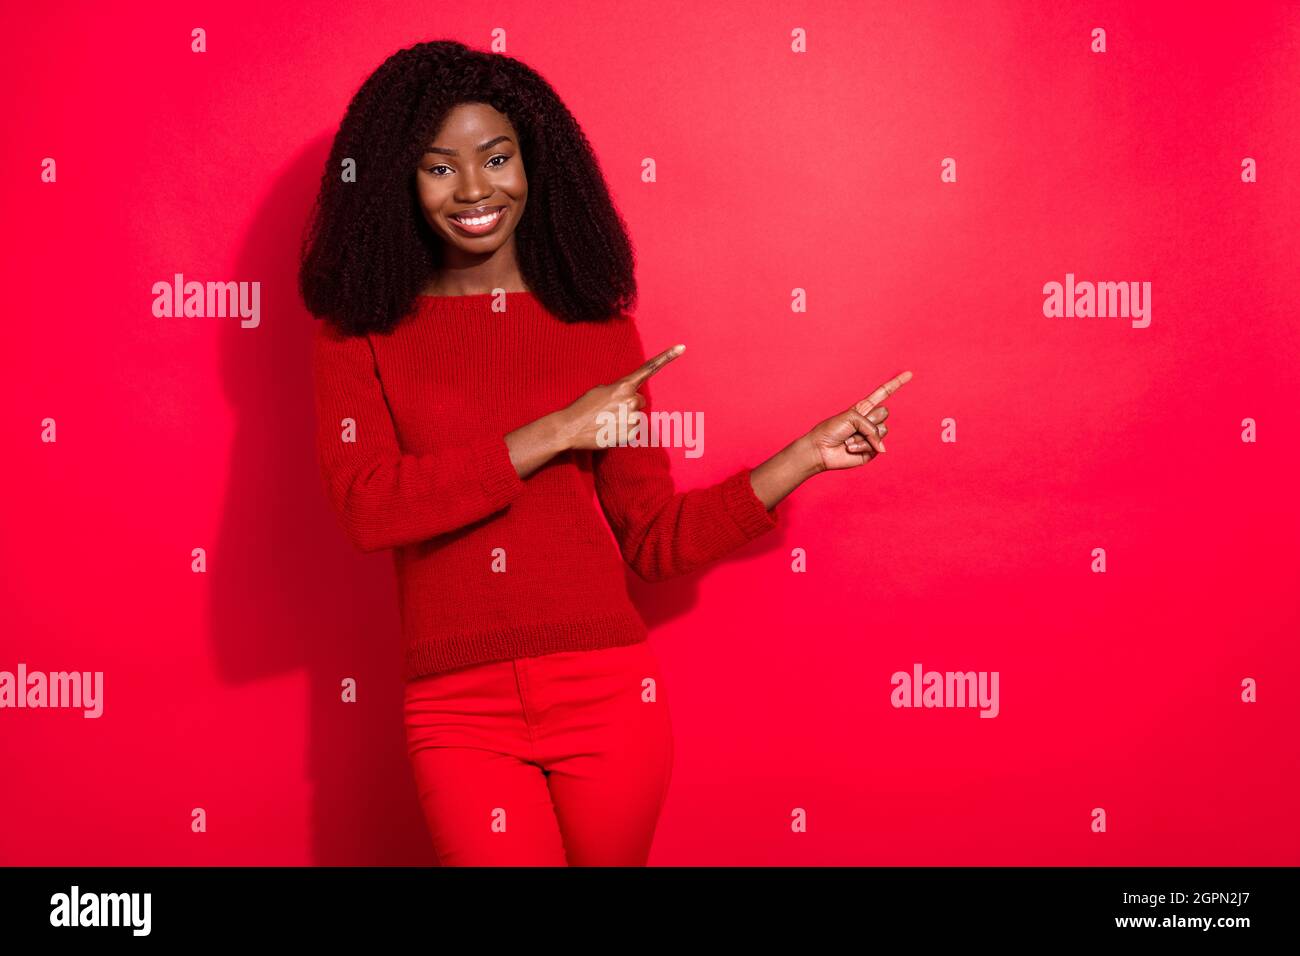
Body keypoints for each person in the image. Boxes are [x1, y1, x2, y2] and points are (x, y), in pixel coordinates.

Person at [299, 39, 912, 866]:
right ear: (394, 182)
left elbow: (655, 541)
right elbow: (369, 507)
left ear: (535, 164)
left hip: (608, 694)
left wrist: (801, 456)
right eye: (440, 167)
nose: (476, 189)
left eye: (497, 157)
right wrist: (555, 431)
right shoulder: (359, 336)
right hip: (458, 709)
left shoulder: (596, 331)